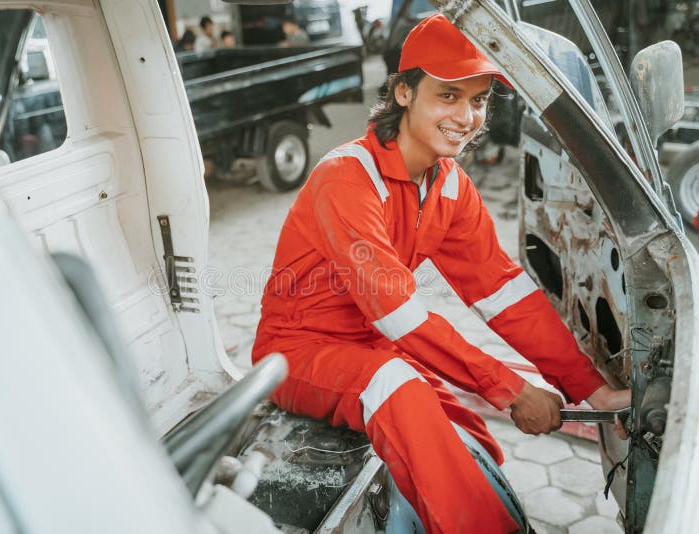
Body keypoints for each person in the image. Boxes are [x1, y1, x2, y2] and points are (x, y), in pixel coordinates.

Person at [252, 14, 630, 534]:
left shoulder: (449, 186)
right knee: (401, 387)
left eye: (478, 100)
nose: (468, 116)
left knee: (470, 434)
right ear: (404, 92)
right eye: (448, 96)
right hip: (298, 352)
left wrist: (593, 390)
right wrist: (513, 391)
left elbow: (504, 295)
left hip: (370, 346)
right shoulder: (346, 178)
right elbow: (397, 315)